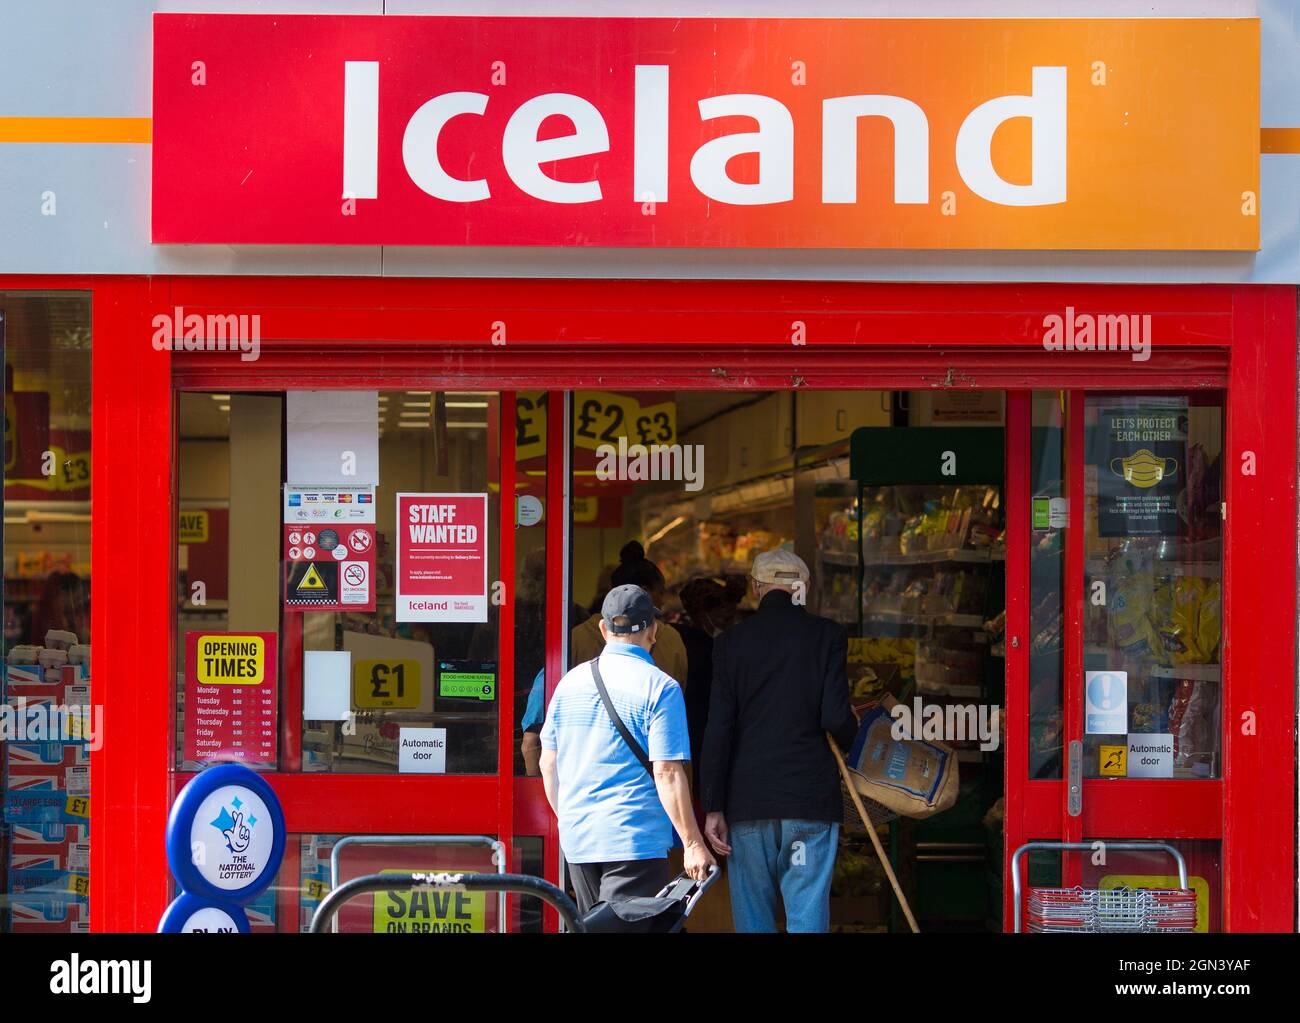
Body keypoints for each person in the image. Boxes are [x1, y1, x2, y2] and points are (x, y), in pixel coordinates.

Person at [699, 548, 858, 933]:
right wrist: (854, 740)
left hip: (748, 799)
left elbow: (718, 728)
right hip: (809, 797)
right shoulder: (827, 635)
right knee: (806, 912)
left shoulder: (730, 644)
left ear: (756, 587)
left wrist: (713, 805)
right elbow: (835, 717)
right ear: (802, 588)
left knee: (754, 916)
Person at [540, 583, 715, 915]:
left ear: (604, 629)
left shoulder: (570, 683)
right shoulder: (661, 687)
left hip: (580, 841)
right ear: (654, 630)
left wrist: (572, 818)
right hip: (633, 840)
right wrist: (692, 843)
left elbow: (549, 762)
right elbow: (666, 772)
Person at [570, 541, 688, 685]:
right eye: (661, 592)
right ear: (645, 592)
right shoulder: (670, 639)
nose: (663, 601)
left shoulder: (576, 639)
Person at [674, 576, 741, 784]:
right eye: (725, 618)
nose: (730, 624)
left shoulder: (675, 638)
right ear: (705, 615)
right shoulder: (705, 650)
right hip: (701, 736)